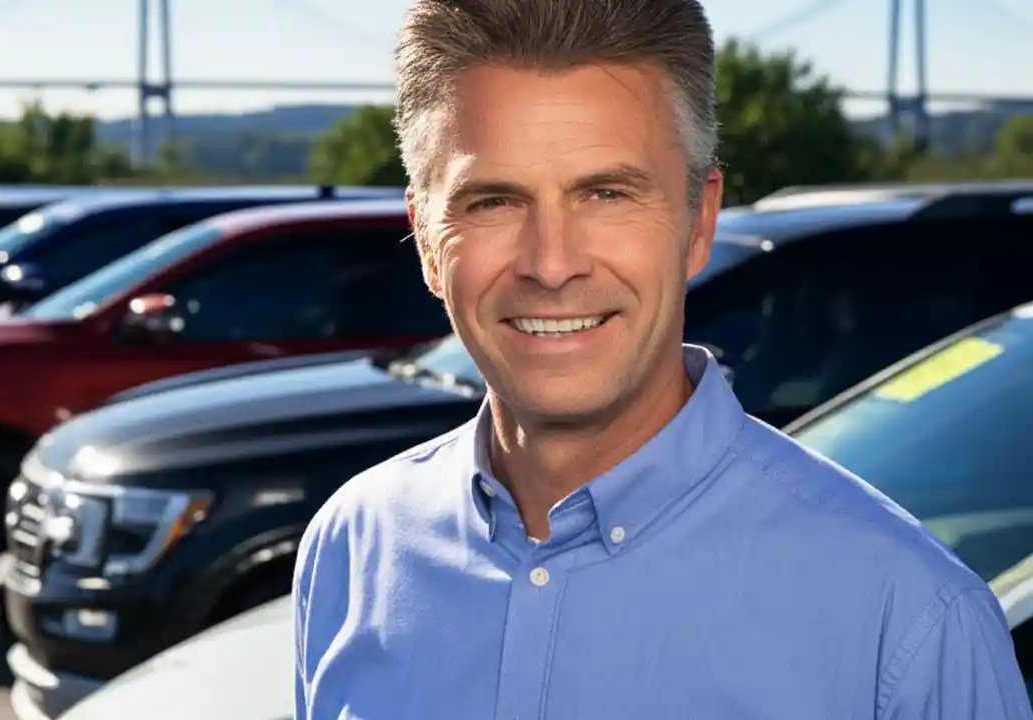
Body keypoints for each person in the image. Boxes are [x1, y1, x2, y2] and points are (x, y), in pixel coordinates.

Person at [292, 1, 1033, 718]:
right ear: (425, 237)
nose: (552, 265)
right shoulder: (351, 551)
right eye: (494, 201)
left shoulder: (908, 623)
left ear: (699, 222)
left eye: (607, 193)